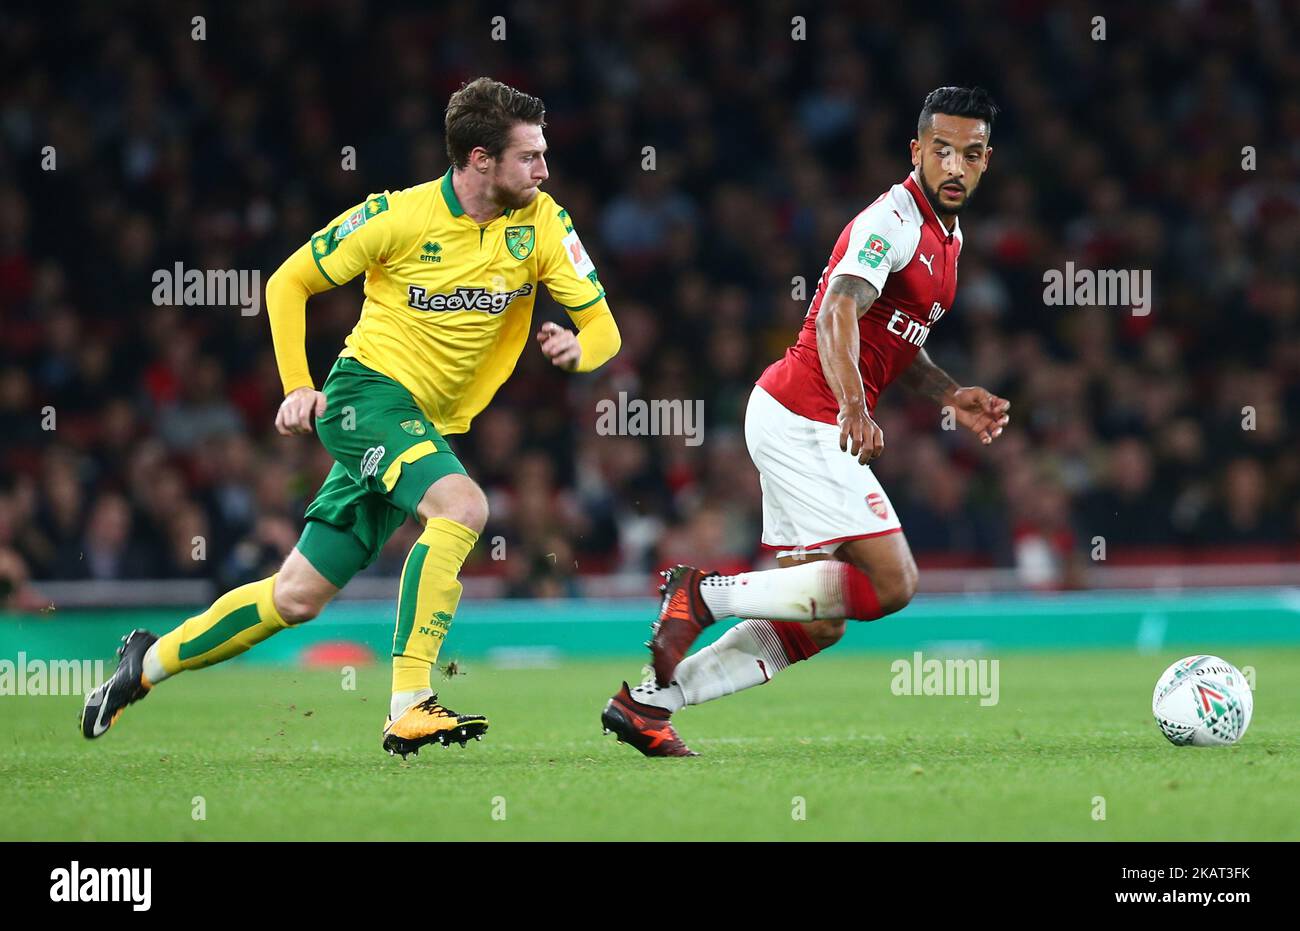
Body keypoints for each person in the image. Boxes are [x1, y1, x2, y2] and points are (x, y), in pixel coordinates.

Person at [83, 77, 620, 758]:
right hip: (365, 397)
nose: (544, 170)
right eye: (529, 156)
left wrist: (577, 352)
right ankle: (410, 702)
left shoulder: (542, 222)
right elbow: (288, 281)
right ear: (480, 159)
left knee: (296, 596)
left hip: (422, 425)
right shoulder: (395, 217)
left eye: (543, 155)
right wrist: (297, 386)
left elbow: (604, 329)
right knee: (462, 506)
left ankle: (146, 662)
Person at [602, 86, 1008, 757]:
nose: (954, 166)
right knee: (893, 583)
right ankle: (704, 595)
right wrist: (853, 405)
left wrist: (950, 392)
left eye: (970, 154)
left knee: (817, 619)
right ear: (916, 151)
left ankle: (648, 702)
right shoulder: (892, 223)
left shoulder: (949, 237)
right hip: (805, 414)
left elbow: (895, 340)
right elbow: (838, 311)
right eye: (941, 150)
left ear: (986, 160)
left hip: (793, 413)